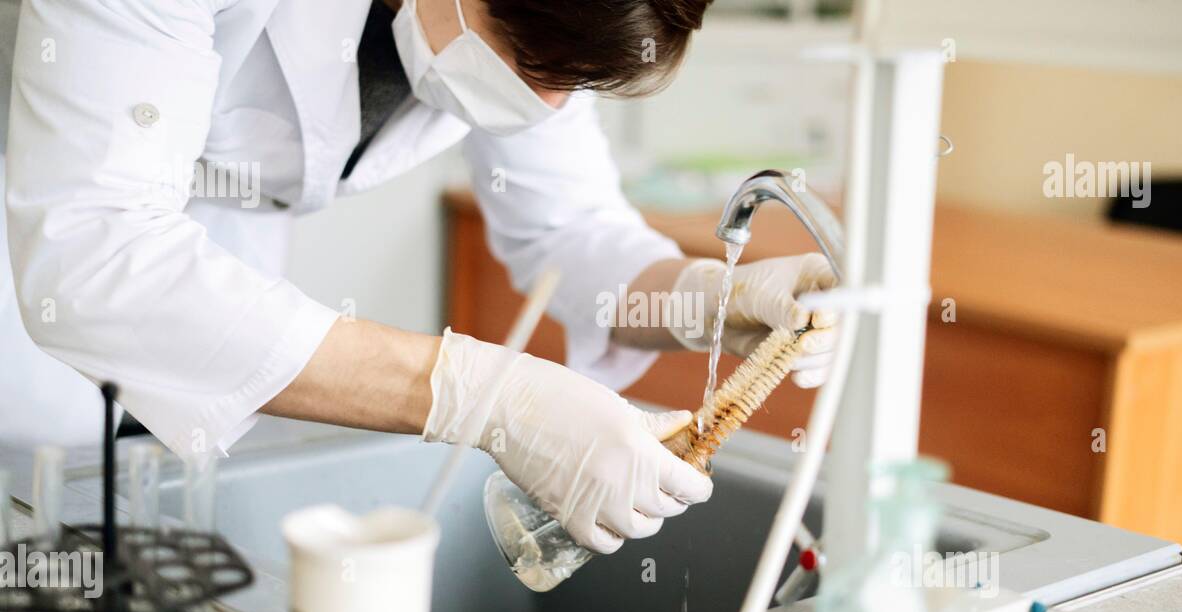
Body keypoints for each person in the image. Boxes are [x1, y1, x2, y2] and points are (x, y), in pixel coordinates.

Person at [0, 0, 836, 554]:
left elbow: (569, 229)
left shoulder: (537, 25)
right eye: (528, 61)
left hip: (217, 325)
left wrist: (711, 298)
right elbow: (93, 250)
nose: (545, 107)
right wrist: (482, 395)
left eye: (570, 83)